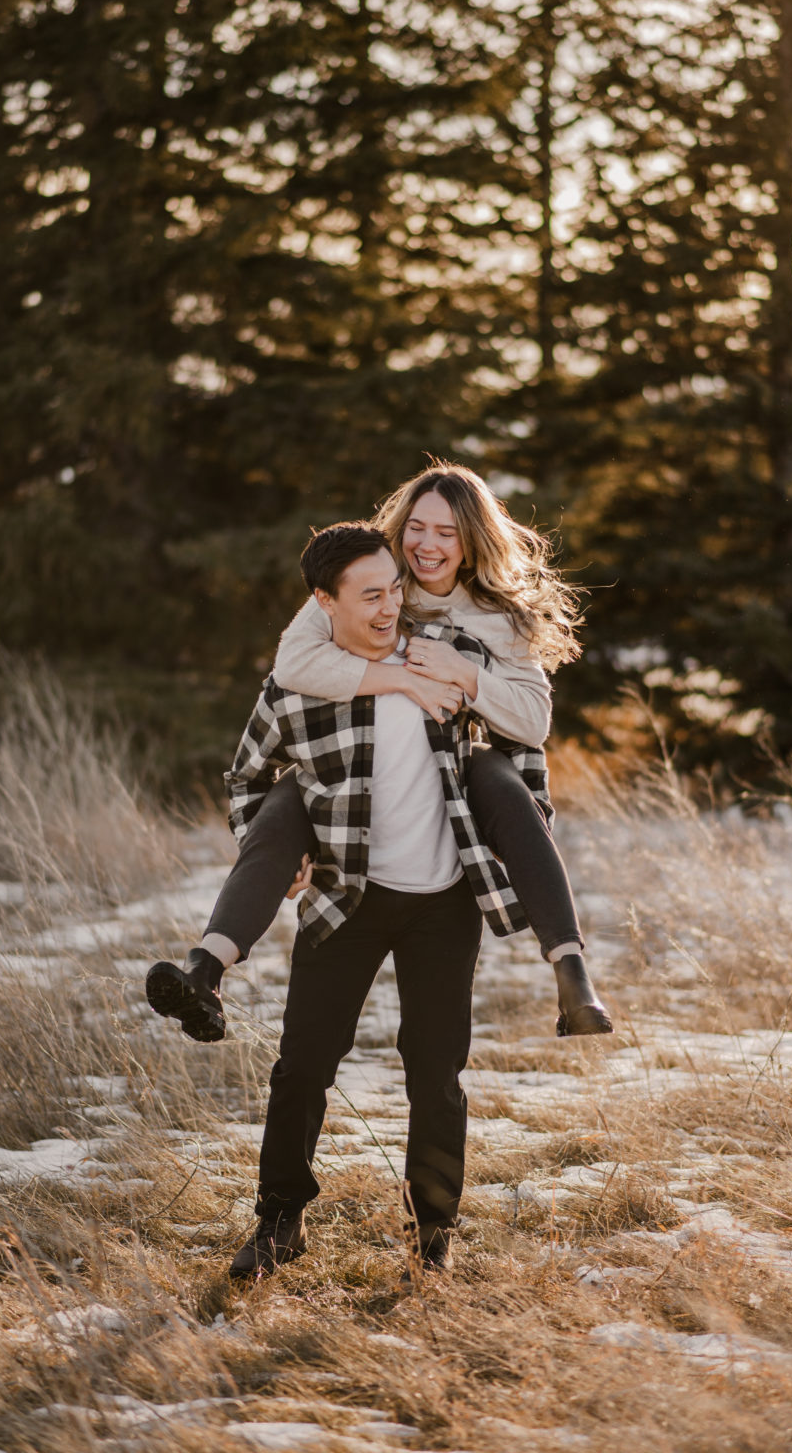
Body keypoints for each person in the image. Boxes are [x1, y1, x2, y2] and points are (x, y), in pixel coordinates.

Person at [153, 521, 552, 1280]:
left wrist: (523, 835)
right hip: (345, 898)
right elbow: (247, 778)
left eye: (394, 590)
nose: (387, 607)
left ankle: (431, 1237)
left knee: (434, 1072)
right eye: (369, 596)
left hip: (443, 903)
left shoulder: (448, 662)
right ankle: (279, 1223)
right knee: (303, 1064)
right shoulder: (300, 685)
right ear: (322, 603)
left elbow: (523, 754)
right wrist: (278, 857)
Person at [146, 465, 612, 1044]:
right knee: (290, 795)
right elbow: (293, 665)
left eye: (446, 532)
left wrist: (462, 673)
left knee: (498, 778)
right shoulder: (373, 575)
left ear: (472, 540)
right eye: (416, 527)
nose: (426, 544)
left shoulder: (500, 618)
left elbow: (531, 721)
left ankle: (572, 976)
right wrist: (403, 682)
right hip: (357, 779)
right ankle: (205, 972)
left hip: (455, 779)